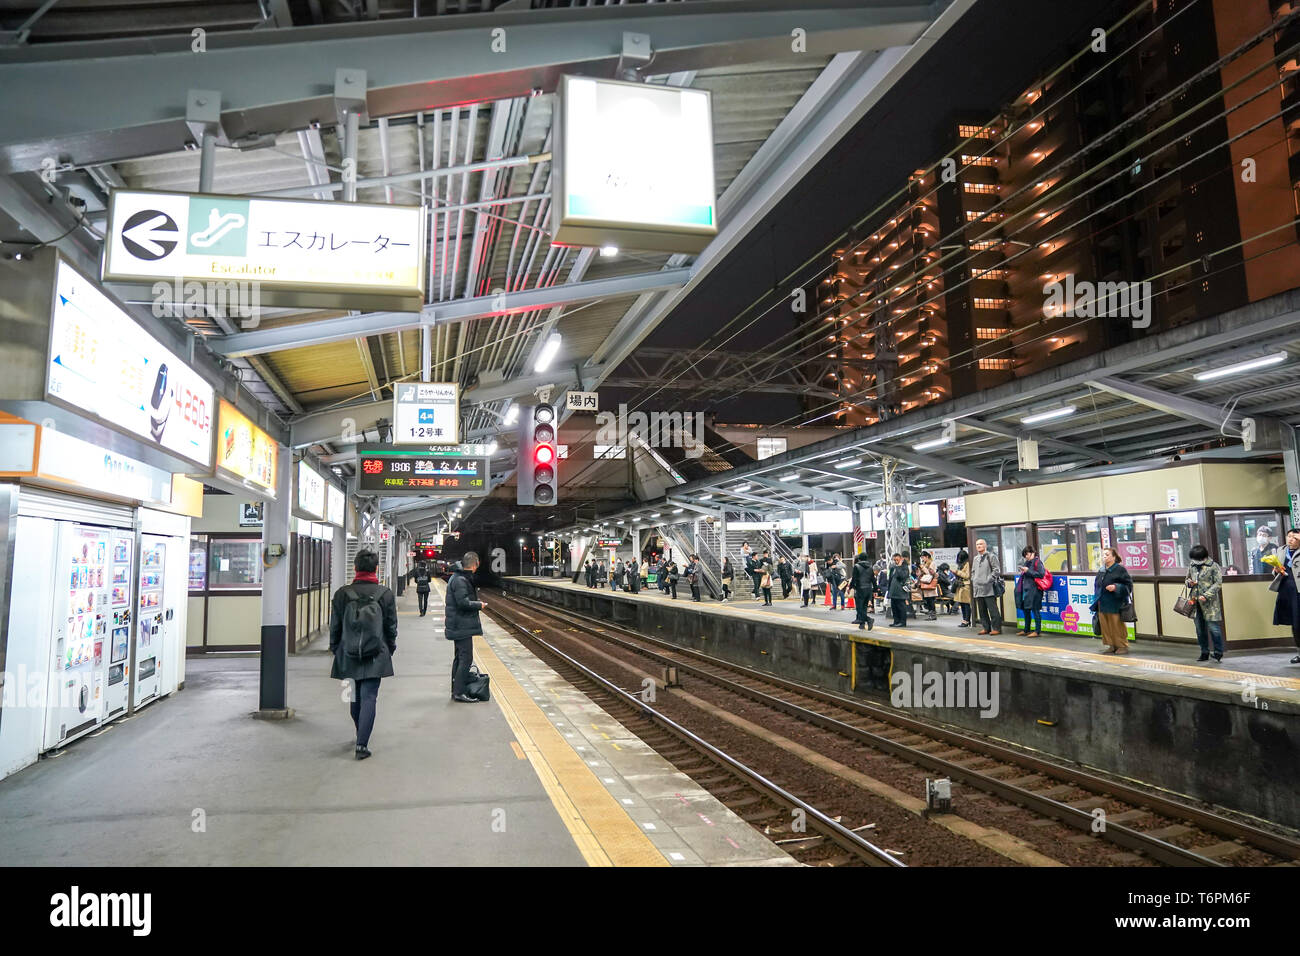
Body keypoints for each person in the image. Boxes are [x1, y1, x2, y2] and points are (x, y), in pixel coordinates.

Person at [330, 548, 398, 759]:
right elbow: (391, 626)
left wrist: (336, 648)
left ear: (355, 568)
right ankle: (362, 744)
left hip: (348, 651)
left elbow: (335, 626)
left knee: (355, 695)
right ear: (376, 569)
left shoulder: (342, 594)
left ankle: (360, 733)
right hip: (376, 652)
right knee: (369, 696)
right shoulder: (384, 594)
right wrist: (391, 647)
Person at [446, 552, 488, 701]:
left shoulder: (457, 577)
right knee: (465, 658)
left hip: (459, 624)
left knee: (459, 658)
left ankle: (456, 689)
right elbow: (463, 603)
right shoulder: (461, 580)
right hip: (461, 625)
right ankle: (459, 692)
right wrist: (479, 605)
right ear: (474, 564)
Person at [1185, 544, 1224, 662]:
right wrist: (1189, 583)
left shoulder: (1213, 566)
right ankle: (1204, 652)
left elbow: (1218, 583)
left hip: (1210, 603)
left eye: (1197, 558)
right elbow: (1187, 579)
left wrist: (1206, 595)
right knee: (1199, 629)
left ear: (1204, 557)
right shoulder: (1192, 565)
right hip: (1195, 602)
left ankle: (1218, 652)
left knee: (1213, 628)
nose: (1195, 561)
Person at [1093, 547, 1133, 655]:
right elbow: (1097, 585)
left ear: (1114, 557)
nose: (1104, 557)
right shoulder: (1101, 570)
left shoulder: (1120, 570)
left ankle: (1122, 645)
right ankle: (1111, 645)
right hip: (1102, 602)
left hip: (1116, 603)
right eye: (1103, 555)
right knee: (1105, 625)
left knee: (1117, 625)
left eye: (1107, 555)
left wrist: (1116, 587)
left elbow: (1128, 586)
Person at [1270, 527, 1300, 663]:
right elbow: (1275, 571)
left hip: (1298, 589)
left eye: (1295, 537)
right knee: (1294, 623)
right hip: (1286, 588)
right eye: (1289, 536)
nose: (1291, 539)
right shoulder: (1281, 550)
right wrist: (1276, 571)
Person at [971, 538, 1003, 635]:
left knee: (993, 610)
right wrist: (974, 579)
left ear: (985, 545)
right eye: (977, 544)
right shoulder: (975, 558)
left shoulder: (991, 556)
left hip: (989, 588)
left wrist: (988, 580)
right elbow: (973, 571)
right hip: (978, 588)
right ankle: (986, 628)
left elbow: (996, 570)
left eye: (980, 544)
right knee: (982, 610)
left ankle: (996, 628)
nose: (979, 546)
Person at [1015, 546, 1048, 637]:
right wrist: (1024, 570)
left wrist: (1028, 571)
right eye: (1024, 555)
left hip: (1035, 590)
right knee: (1026, 609)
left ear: (1032, 553)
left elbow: (1041, 574)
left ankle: (1037, 631)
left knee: (1035, 609)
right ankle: (1026, 629)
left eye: (1027, 554)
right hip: (1026, 589)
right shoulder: (1027, 562)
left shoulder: (1038, 562)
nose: (1026, 556)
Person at [850, 551, 875, 631]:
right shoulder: (870, 567)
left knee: (859, 608)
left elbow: (854, 578)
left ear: (859, 558)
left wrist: (851, 587)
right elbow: (873, 579)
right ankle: (862, 624)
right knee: (864, 607)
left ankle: (869, 620)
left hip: (860, 589)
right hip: (868, 589)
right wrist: (875, 589)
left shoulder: (856, 566)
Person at [886, 553, 912, 627]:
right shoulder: (893, 567)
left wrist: (899, 567)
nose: (896, 561)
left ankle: (902, 622)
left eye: (897, 560)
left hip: (900, 591)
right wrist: (889, 590)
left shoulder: (904, 567)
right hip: (893, 590)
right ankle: (896, 621)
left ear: (901, 559)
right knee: (894, 607)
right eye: (894, 560)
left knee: (901, 607)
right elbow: (890, 579)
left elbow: (902, 576)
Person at [916, 554, 938, 621]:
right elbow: (921, 574)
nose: (922, 559)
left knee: (931, 600)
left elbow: (929, 573)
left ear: (927, 557)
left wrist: (922, 567)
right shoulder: (924, 564)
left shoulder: (932, 563)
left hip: (930, 584)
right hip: (925, 584)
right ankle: (930, 614)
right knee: (928, 600)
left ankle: (933, 615)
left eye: (923, 557)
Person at [954, 550, 972, 627]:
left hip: (965, 586)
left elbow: (967, 576)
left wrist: (957, 572)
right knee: (962, 604)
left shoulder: (967, 564)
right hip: (960, 585)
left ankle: (967, 620)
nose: (959, 559)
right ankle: (964, 619)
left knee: (966, 604)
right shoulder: (961, 565)